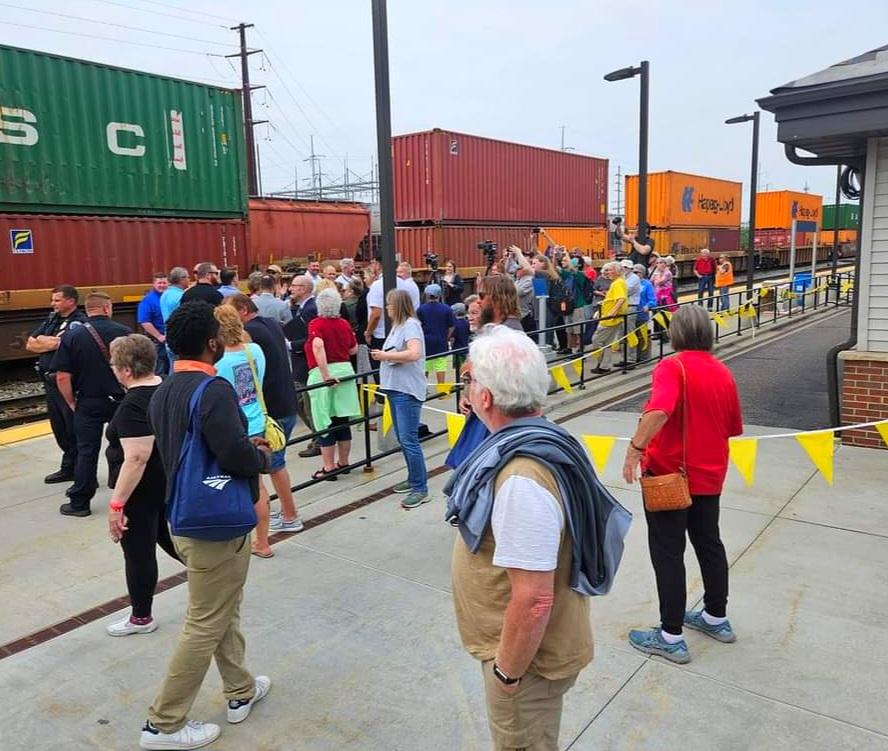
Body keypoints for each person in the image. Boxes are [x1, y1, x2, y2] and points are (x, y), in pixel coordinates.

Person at [445, 327, 629, 751]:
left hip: (528, 666)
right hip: (529, 655)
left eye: (470, 381)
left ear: (485, 398)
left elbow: (534, 600)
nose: (467, 388)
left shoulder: (521, 477)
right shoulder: (541, 438)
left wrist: (507, 673)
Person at [140, 301, 271, 751]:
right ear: (213, 343)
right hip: (217, 525)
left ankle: (240, 690)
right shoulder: (212, 390)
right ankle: (163, 723)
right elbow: (234, 456)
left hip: (184, 516)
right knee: (205, 621)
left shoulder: (164, 390)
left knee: (221, 609)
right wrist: (261, 456)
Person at [622, 305, 743, 664]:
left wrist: (634, 450)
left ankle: (670, 634)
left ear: (676, 334)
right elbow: (733, 427)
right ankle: (715, 617)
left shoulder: (672, 367)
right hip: (709, 476)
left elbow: (659, 411)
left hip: (670, 476)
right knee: (709, 544)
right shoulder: (723, 372)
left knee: (668, 552)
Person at [104, 334, 180, 637]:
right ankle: (214, 572)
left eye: (113, 364)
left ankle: (141, 617)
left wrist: (117, 504)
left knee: (138, 553)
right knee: (166, 537)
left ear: (125, 370)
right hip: (166, 480)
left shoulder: (133, 403)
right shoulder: (166, 388)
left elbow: (136, 457)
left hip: (141, 491)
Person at [226, 295, 304, 535]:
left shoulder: (251, 336)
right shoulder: (270, 323)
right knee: (275, 464)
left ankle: (290, 516)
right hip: (286, 403)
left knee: (274, 466)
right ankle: (286, 513)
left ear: (243, 310)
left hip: (271, 410)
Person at [53, 292, 132, 517]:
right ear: (107, 308)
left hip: (88, 401)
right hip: (120, 401)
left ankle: (80, 502)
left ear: (88, 310)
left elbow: (62, 376)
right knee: (127, 448)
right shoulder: (125, 333)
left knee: (86, 450)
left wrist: (71, 402)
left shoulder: (73, 336)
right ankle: (128, 493)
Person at [212, 305, 274, 558]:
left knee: (228, 484)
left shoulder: (219, 362)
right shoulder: (254, 350)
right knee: (258, 485)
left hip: (232, 424)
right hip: (257, 420)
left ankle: (236, 539)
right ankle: (263, 541)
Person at [370, 289, 428, 510]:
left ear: (398, 305)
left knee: (409, 439)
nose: (387, 308)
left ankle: (420, 487)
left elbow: (414, 353)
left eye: (389, 305)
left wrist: (386, 356)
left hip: (406, 391)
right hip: (395, 389)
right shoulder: (397, 326)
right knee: (404, 439)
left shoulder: (411, 325)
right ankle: (414, 479)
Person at [26, 284, 88, 484]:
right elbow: (30, 343)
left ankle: (76, 468)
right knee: (58, 427)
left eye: (57, 300)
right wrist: (45, 341)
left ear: (71, 301)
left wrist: (44, 342)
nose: (53, 304)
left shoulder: (77, 322)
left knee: (71, 426)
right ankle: (68, 465)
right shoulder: (52, 319)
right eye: (53, 300)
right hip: (49, 381)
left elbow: (58, 344)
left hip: (64, 382)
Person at [305, 288, 360, 480]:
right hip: (345, 371)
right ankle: (344, 463)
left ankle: (328, 467)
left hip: (324, 373)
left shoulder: (316, 324)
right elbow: (353, 349)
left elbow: (318, 345)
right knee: (341, 419)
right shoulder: (344, 324)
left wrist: (325, 374)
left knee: (324, 420)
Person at [283, 276, 321, 458]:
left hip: (305, 363)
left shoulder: (311, 309)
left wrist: (291, 345)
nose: (291, 289)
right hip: (301, 362)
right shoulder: (304, 307)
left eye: (294, 286)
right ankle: (319, 437)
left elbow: (312, 338)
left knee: (304, 402)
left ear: (304, 288)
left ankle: (320, 438)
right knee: (302, 401)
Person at [588, 262, 628, 375]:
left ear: (617, 271)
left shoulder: (617, 283)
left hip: (609, 319)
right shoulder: (618, 282)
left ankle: (603, 364)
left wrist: (612, 312)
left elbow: (621, 299)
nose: (607, 272)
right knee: (607, 342)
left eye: (610, 270)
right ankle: (604, 366)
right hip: (610, 318)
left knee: (597, 340)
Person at [417, 283, 456, 387]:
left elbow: (418, 325)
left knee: (425, 366)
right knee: (440, 365)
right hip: (441, 339)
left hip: (426, 340)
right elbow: (452, 326)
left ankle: (423, 388)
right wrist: (447, 336)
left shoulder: (421, 309)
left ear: (427, 295)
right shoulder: (447, 309)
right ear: (439, 295)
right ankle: (441, 389)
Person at [137, 273, 170, 376]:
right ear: (154, 284)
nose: (162, 285)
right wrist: (159, 336)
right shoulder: (148, 301)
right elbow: (144, 321)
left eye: (164, 282)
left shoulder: (169, 297)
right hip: (158, 343)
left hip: (170, 341)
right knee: (159, 371)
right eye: (159, 283)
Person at [559, 255, 590, 352]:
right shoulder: (566, 274)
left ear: (579, 265)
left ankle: (580, 349)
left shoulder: (580, 275)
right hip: (568, 305)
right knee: (569, 329)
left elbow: (572, 268)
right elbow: (554, 266)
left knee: (578, 330)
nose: (566, 262)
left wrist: (566, 253)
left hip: (578, 305)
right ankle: (570, 348)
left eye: (572, 261)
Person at [634, 263, 657, 363]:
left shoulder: (647, 284)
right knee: (633, 336)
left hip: (642, 314)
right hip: (631, 314)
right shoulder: (629, 283)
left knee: (643, 336)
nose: (635, 274)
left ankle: (644, 356)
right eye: (633, 272)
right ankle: (634, 356)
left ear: (642, 273)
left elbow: (653, 300)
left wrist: (648, 306)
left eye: (637, 272)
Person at [450, 303, 470, 375]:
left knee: (458, 368)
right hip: (465, 347)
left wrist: (451, 345)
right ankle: (463, 382)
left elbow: (452, 338)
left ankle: (458, 383)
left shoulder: (454, 324)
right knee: (465, 367)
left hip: (457, 348)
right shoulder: (467, 323)